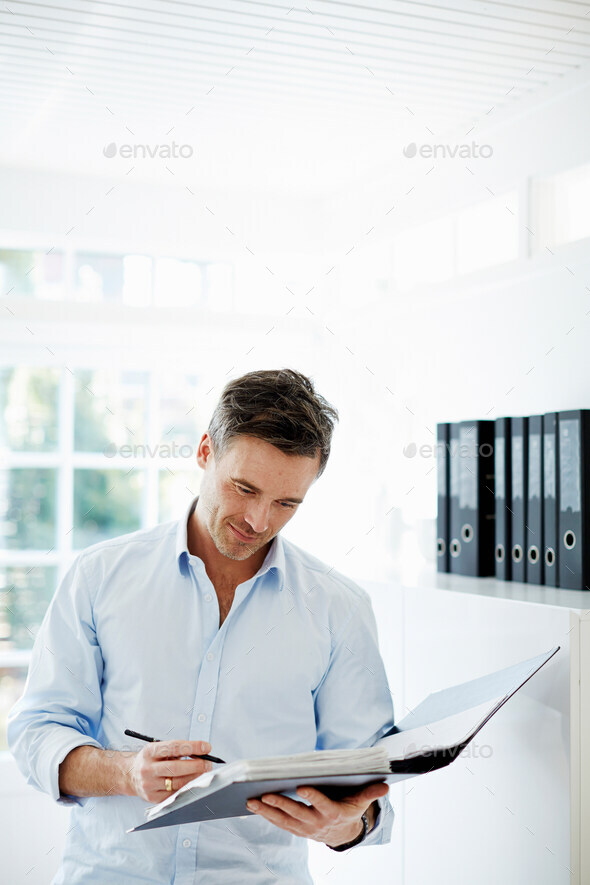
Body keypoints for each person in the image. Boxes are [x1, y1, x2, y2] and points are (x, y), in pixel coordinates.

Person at [9, 368, 394, 884]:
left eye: (286, 504)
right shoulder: (99, 577)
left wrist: (345, 825)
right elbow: (36, 732)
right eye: (244, 488)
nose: (258, 520)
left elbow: (366, 786)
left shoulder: (340, 609)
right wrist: (126, 773)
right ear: (205, 451)